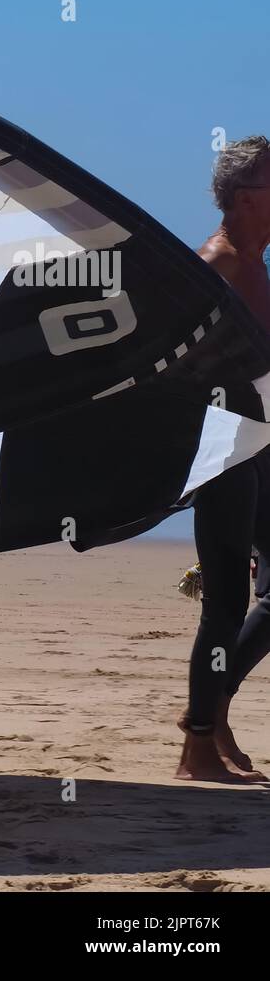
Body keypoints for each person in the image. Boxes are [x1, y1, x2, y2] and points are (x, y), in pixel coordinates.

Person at [178, 135, 270, 782]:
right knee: (226, 604)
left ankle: (213, 709)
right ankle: (197, 746)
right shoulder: (220, 264)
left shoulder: (258, 266)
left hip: (259, 447)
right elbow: (181, 370)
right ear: (246, 197)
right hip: (226, 451)